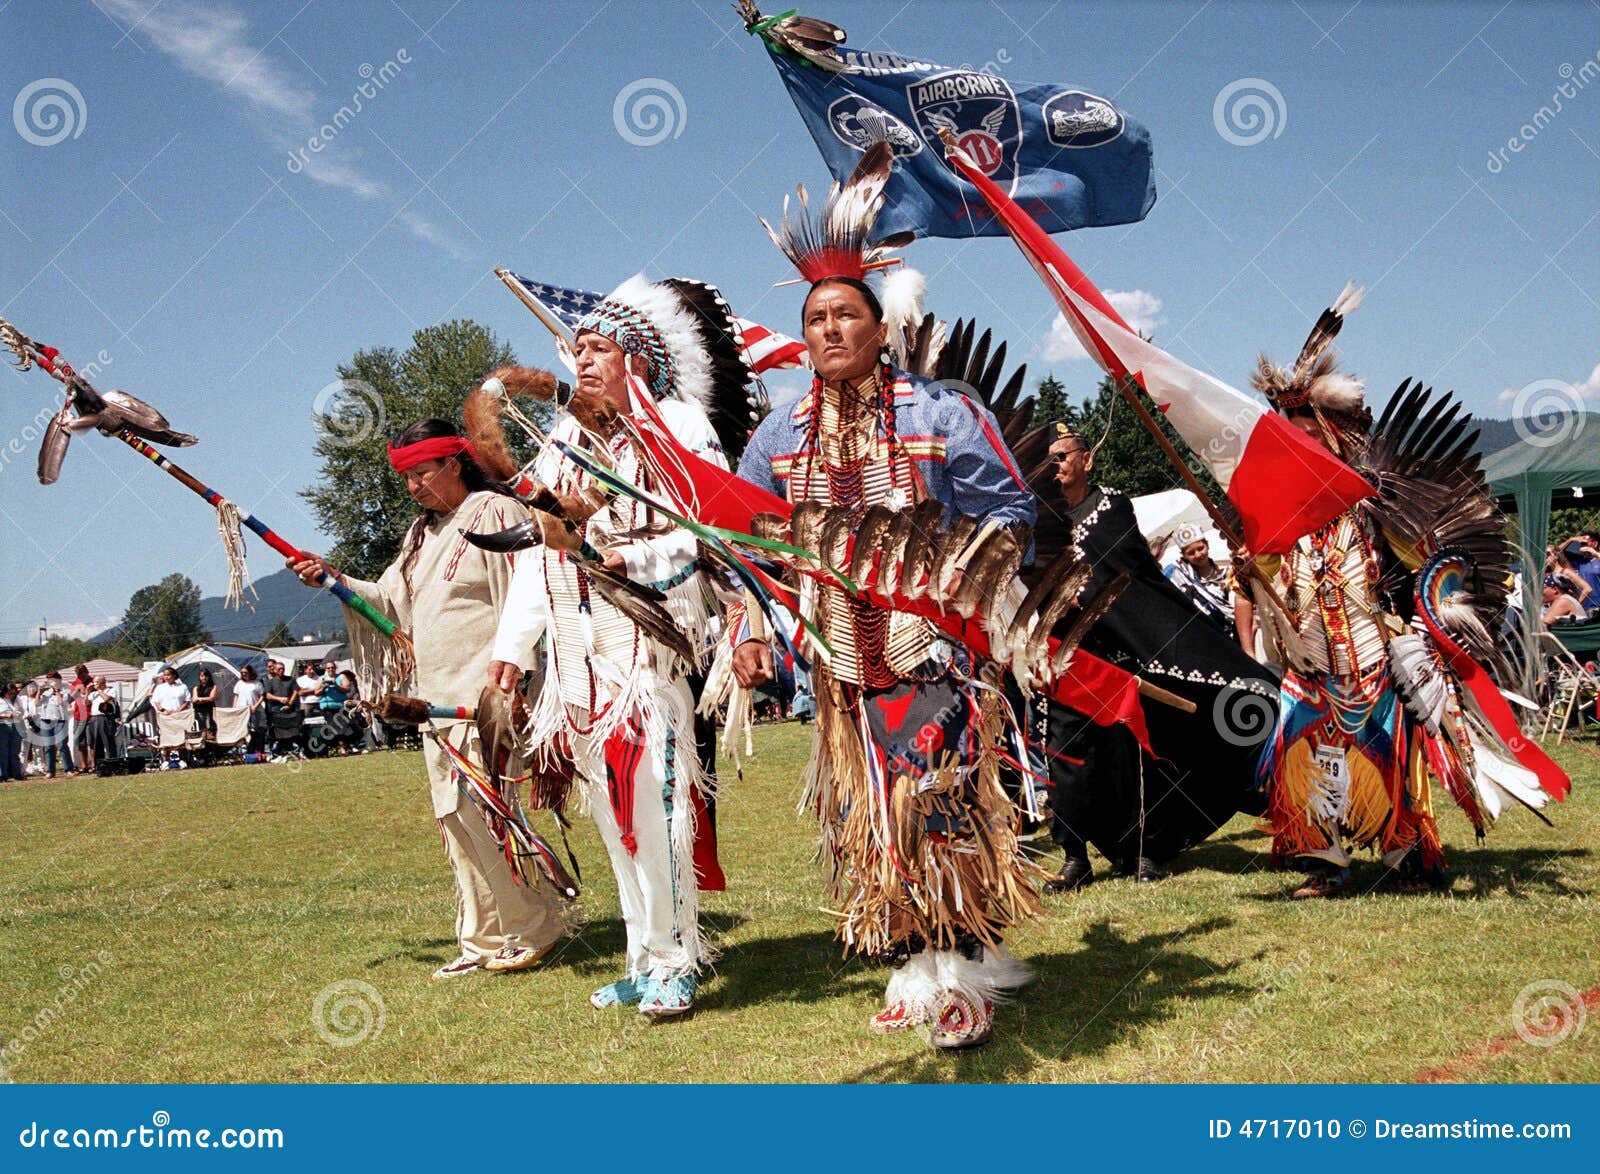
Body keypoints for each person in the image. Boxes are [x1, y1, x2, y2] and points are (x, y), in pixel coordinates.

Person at [728, 149, 1040, 1049]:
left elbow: (1011, 511)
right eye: (816, 318)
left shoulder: (939, 414)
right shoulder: (779, 436)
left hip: (931, 647)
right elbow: (750, 542)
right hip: (836, 659)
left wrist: (962, 572)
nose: (828, 331)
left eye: (845, 315)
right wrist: (751, 623)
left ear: (879, 327)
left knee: (934, 796)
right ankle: (915, 960)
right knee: (869, 810)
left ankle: (964, 967)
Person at [1244, 285, 1567, 897]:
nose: (1294, 446)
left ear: (1332, 434)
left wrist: (1432, 627)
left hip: (1370, 660)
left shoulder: (1372, 506)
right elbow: (1265, 579)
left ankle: (1407, 859)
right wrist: (1252, 562)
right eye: (1287, 436)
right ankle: (1324, 862)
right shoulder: (1282, 513)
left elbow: (1436, 564)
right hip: (1310, 664)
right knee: (1300, 760)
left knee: (1385, 758)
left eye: (1303, 434)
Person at [489, 274, 754, 1019]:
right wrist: (514, 648)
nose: (586, 361)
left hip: (647, 640)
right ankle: (644, 954)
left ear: (636, 357)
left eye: (600, 348)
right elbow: (539, 552)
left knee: (656, 798)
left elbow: (711, 529)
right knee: (612, 811)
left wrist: (622, 560)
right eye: (579, 349)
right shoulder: (563, 439)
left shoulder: (678, 425)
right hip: (577, 654)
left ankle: (677, 957)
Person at [291, 416, 567, 981]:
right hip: (435, 703)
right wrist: (332, 580)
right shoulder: (421, 535)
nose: (415, 487)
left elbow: (529, 600)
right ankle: (485, 936)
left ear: (454, 462)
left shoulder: (495, 515)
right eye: (407, 479)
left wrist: (521, 685)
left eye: (423, 474)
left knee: (491, 815)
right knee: (456, 819)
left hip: (486, 696)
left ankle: (538, 927)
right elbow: (389, 605)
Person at [1037, 425, 1279, 892]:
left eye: (1062, 456)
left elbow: (1134, 580)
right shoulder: (1037, 517)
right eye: (1047, 459)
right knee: (1067, 757)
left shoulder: (1112, 509)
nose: (1055, 466)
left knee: (1137, 754)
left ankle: (1141, 849)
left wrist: (1091, 598)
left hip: (1124, 656)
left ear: (1086, 460)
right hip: (1066, 660)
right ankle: (1073, 857)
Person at [1166, 524, 1237, 640]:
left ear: (1207, 545)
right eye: (1191, 553)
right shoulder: (1180, 576)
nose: (1198, 555)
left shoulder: (1227, 571)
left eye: (1200, 548)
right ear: (1183, 555)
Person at [35, 672, 70, 778]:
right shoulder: (46, 692)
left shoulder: (65, 690)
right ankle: (50, 771)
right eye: (48, 679)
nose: (49, 681)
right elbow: (36, 703)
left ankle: (69, 769)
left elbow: (61, 702)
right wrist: (39, 691)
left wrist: (56, 690)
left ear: (58, 680)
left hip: (60, 719)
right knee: (48, 746)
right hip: (46, 720)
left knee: (62, 745)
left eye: (52, 679)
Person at [234, 663, 266, 754]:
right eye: (242, 672)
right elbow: (236, 696)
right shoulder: (239, 683)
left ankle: (257, 751)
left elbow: (262, 696)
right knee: (244, 732)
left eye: (245, 672)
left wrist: (256, 706)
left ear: (250, 672)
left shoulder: (257, 683)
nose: (243, 674)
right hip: (242, 711)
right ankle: (245, 752)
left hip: (254, 710)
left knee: (255, 731)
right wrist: (234, 708)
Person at [0, 684, 24, 781]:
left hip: (16, 725)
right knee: (3, 751)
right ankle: (3, 775)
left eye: (14, 693)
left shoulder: (17, 699)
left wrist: (17, 714)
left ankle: (17, 774)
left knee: (15, 752)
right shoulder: (1, 700)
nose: (12, 695)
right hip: (3, 726)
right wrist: (6, 715)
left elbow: (22, 711)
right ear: (5, 692)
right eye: (10, 693)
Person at [192, 667, 218, 738]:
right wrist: (204, 699)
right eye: (202, 676)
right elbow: (194, 699)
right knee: (201, 727)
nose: (204, 678)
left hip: (210, 710)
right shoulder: (196, 688)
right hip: (199, 711)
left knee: (211, 728)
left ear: (209, 677)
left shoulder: (213, 686)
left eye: (206, 676)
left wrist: (200, 699)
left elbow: (212, 698)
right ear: (199, 677)